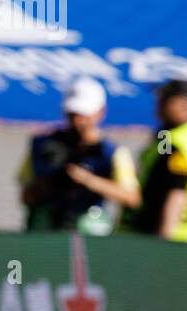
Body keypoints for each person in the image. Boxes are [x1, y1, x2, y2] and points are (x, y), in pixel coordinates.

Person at [18, 77, 140, 234]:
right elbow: (25, 196)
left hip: (89, 230)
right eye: (73, 114)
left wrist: (88, 180)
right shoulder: (43, 146)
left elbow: (132, 197)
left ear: (101, 112)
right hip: (47, 228)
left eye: (84, 115)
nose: (78, 121)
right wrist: (50, 181)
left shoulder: (113, 152)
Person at [121, 80, 187, 242]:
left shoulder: (171, 140)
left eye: (164, 100)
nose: (157, 104)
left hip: (169, 237)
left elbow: (176, 189)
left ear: (184, 106)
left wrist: (165, 243)